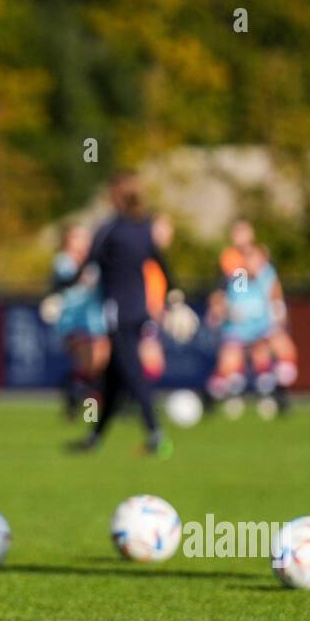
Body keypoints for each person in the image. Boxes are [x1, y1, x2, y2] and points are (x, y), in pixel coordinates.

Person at [62, 174, 195, 456]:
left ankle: (156, 435)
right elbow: (162, 265)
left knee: (133, 373)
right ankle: (94, 439)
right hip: (139, 310)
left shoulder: (109, 229)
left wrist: (59, 290)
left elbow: (87, 266)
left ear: (115, 197)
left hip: (117, 312)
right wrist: (176, 296)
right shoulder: (144, 229)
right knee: (113, 378)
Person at [205, 240, 298, 417]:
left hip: (260, 330)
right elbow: (228, 303)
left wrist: (276, 317)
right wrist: (224, 310)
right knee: (227, 369)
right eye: (250, 259)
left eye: (257, 259)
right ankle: (216, 397)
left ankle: (274, 394)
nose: (254, 263)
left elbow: (276, 302)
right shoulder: (239, 277)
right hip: (238, 331)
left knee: (281, 353)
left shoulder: (267, 275)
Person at [47, 223, 109, 419]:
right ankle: (83, 407)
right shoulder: (63, 262)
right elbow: (66, 282)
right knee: (87, 365)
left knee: (98, 367)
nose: (83, 241)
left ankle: (77, 399)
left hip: (96, 319)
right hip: (73, 320)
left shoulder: (96, 262)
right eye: (77, 237)